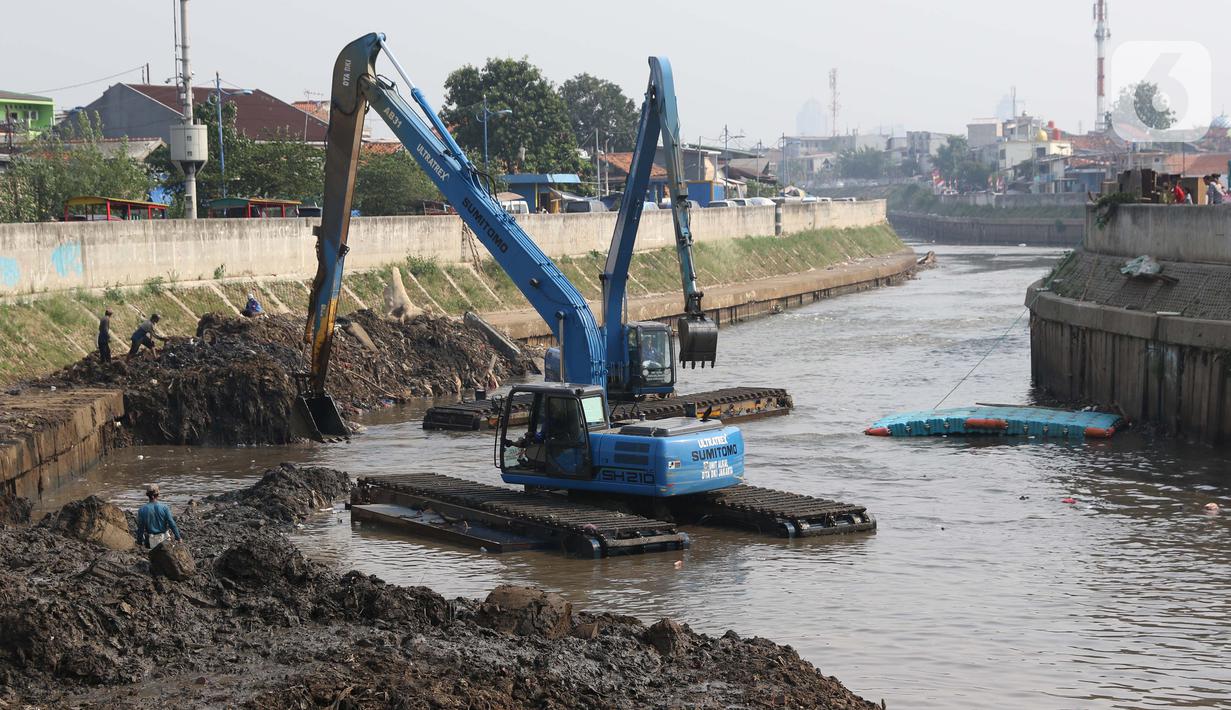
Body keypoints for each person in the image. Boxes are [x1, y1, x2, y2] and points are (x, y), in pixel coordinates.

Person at [135, 484, 182, 549]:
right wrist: (178, 538)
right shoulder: (164, 507)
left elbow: (141, 529)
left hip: (152, 541)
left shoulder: (142, 509)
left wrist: (139, 542)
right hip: (165, 540)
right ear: (158, 495)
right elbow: (172, 524)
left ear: (147, 495)